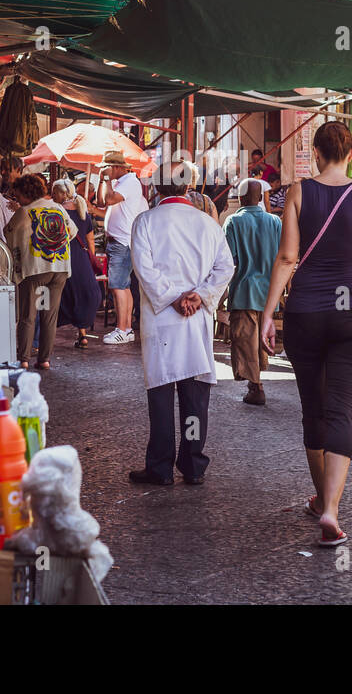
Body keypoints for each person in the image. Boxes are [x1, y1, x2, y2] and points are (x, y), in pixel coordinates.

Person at [260, 121, 352, 548]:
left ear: (315, 153)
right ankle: (331, 508)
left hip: (307, 313)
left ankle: (322, 499)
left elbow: (287, 257)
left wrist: (267, 314)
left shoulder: (298, 192)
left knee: (313, 409)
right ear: (351, 154)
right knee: (341, 411)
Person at [127, 170, 235, 486]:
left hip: (161, 321)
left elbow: (142, 268)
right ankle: (193, 464)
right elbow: (225, 267)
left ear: (157, 188)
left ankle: (160, 467)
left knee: (161, 397)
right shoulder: (208, 224)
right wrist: (198, 296)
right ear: (188, 187)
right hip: (196, 319)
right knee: (195, 398)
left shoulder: (145, 221)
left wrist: (173, 297)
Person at [4, 174, 76, 371]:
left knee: (28, 315)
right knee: (49, 315)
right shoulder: (57, 207)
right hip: (59, 269)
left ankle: (24, 358)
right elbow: (73, 231)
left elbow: (8, 232)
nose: (16, 198)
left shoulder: (24, 211)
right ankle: (44, 359)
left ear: (25, 194)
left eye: (17, 194)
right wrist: (55, 245)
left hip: (35, 270)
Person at [223, 177, 281, 405]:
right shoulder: (275, 221)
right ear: (259, 199)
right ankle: (255, 383)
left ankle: (256, 387)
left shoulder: (233, 222)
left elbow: (229, 260)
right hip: (269, 292)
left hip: (244, 290)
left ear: (240, 198)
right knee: (259, 340)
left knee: (245, 340)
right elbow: (282, 257)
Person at [89, 150, 147, 345]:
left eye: (106, 167)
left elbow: (110, 200)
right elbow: (100, 202)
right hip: (118, 241)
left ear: (115, 167)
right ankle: (127, 328)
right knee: (123, 287)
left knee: (117, 286)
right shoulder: (118, 183)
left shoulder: (130, 182)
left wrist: (105, 181)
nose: (104, 171)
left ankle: (121, 329)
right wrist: (102, 180)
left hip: (122, 242)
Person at [51, 178, 102, 349]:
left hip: (61, 257)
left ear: (62, 194)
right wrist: (90, 259)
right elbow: (90, 239)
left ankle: (46, 335)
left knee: (58, 294)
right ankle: (83, 334)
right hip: (81, 258)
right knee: (81, 293)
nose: (52, 195)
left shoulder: (56, 211)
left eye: (54, 192)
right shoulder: (82, 212)